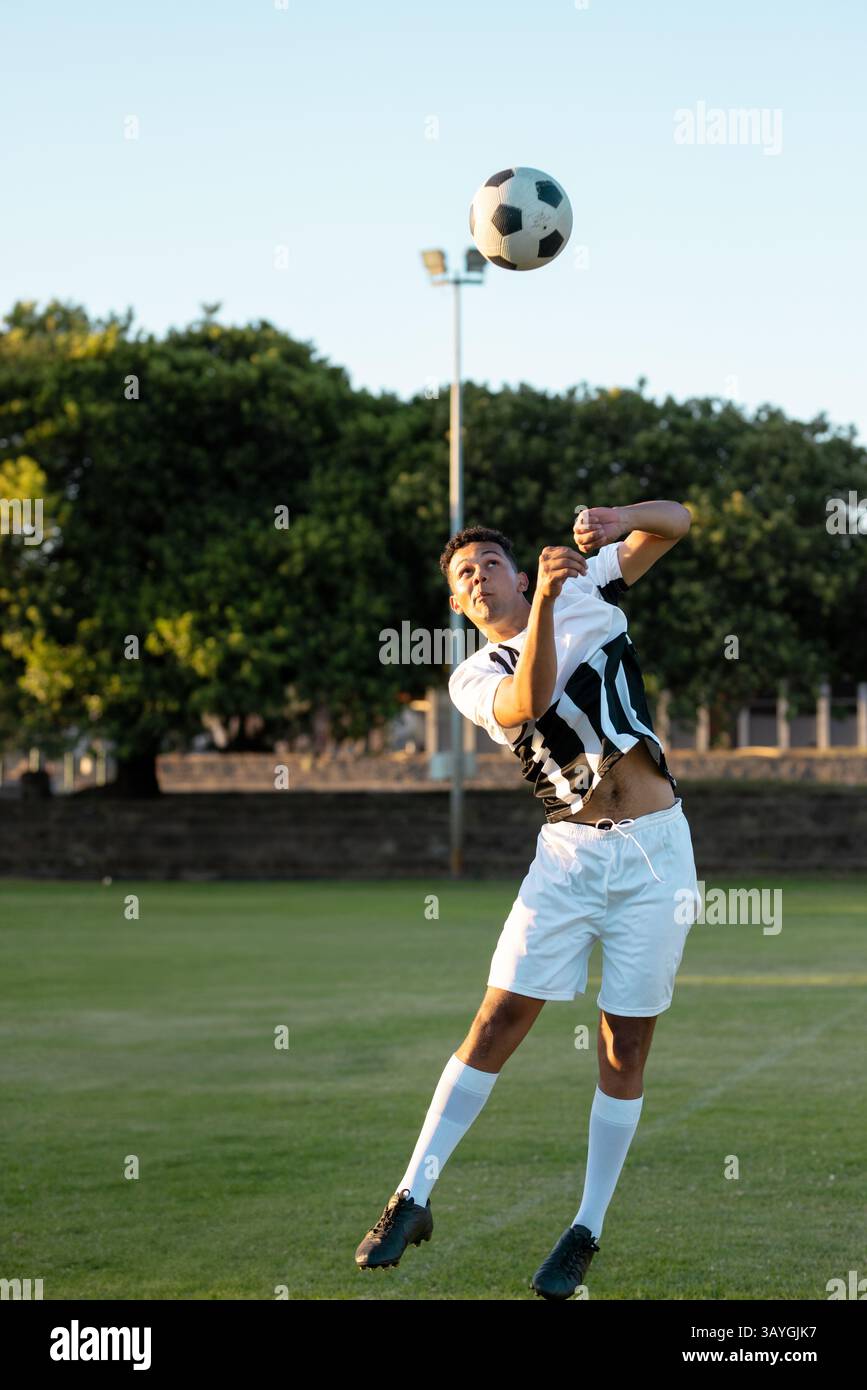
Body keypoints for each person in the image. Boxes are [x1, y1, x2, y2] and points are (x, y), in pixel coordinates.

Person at [355, 501, 700, 1299]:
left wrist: (618, 520)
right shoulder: (473, 676)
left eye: (487, 566)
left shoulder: (587, 591)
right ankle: (412, 1195)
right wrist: (544, 602)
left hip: (656, 851)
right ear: (455, 604)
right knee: (497, 1019)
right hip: (568, 854)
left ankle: (584, 1230)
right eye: (461, 577)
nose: (476, 579)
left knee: (626, 1044)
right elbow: (532, 701)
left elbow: (677, 522)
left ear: (513, 571)